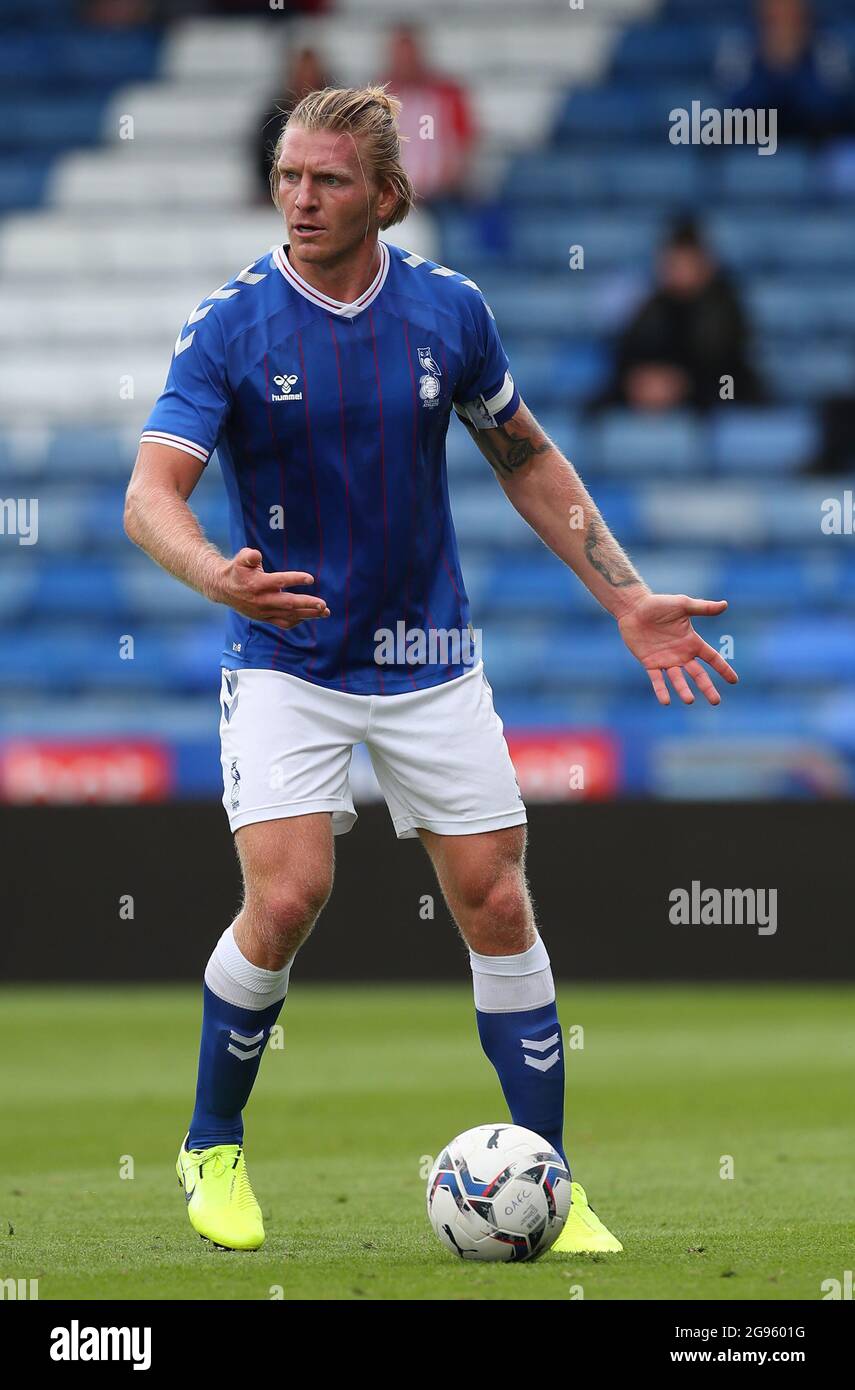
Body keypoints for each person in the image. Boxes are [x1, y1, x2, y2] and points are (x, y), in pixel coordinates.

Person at [124, 85, 737, 1256]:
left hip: (430, 656)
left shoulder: (449, 312)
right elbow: (151, 496)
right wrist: (216, 575)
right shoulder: (230, 327)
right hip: (287, 656)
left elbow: (526, 455)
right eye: (288, 175)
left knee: (498, 900)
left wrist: (626, 596)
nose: (300, 198)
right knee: (290, 894)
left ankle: (552, 1187)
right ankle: (212, 1142)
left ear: (387, 198)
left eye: (329, 181)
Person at [599, 219, 762, 413]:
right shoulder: (653, 304)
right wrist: (639, 380)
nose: (679, 271)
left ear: (705, 265)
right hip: (653, 393)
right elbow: (630, 351)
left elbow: (723, 363)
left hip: (714, 393)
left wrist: (682, 385)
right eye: (673, 263)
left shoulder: (725, 306)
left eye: (687, 262)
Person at [724, 0, 855, 143]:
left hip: (817, 145)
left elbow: (833, 107)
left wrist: (795, 64)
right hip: (754, 142)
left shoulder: (829, 45)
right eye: (774, 16)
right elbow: (736, 105)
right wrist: (772, 63)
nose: (784, 14)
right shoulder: (739, 46)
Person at [383, 24, 475, 202]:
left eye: (410, 57)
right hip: (393, 194)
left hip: (440, 194)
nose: (406, 64)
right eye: (401, 57)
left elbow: (464, 145)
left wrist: (447, 176)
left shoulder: (447, 95)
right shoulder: (379, 99)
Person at [254, 46, 330, 204]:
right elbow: (262, 162)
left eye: (311, 73)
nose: (307, 80)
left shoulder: (336, 117)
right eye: (302, 73)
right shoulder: (273, 119)